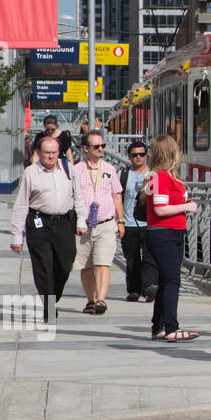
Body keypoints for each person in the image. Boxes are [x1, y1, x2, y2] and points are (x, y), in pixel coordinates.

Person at [10, 135, 77, 321]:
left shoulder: (68, 169)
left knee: (65, 264)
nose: (51, 156)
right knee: (43, 266)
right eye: (47, 153)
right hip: (39, 223)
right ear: (38, 153)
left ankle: (53, 295)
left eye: (54, 152)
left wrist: (82, 221)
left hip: (64, 222)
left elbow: (78, 196)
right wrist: (17, 235)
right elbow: (21, 204)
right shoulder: (31, 173)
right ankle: (48, 305)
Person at [143, 133, 200, 342]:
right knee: (172, 281)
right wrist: (186, 206)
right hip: (163, 233)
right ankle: (171, 327)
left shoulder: (168, 176)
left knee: (166, 280)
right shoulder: (159, 178)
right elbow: (160, 209)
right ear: (170, 152)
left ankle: (158, 327)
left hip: (174, 232)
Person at [72, 130, 125, 315]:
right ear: (86, 148)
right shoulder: (76, 170)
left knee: (103, 262)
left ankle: (101, 299)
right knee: (86, 265)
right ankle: (91, 300)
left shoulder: (109, 169)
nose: (101, 149)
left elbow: (117, 195)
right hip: (84, 224)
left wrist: (121, 221)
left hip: (106, 223)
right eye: (97, 146)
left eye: (103, 146)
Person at [120, 140, 156, 302]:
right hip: (129, 222)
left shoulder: (153, 174)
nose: (138, 158)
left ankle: (149, 287)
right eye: (135, 155)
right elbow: (117, 197)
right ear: (129, 156)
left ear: (146, 155)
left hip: (149, 223)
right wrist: (118, 220)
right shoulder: (123, 174)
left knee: (150, 257)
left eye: (142, 154)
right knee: (132, 258)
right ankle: (134, 289)